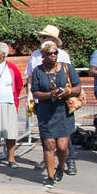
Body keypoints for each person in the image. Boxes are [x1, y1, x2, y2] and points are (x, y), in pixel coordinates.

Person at [25, 26, 77, 174]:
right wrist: (29, 96)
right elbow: (30, 77)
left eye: (45, 37)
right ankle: (48, 161)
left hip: (62, 103)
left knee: (63, 139)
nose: (41, 40)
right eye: (41, 37)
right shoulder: (35, 55)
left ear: (54, 40)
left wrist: (66, 91)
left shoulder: (63, 56)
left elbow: (71, 78)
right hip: (42, 101)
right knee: (47, 136)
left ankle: (69, 160)